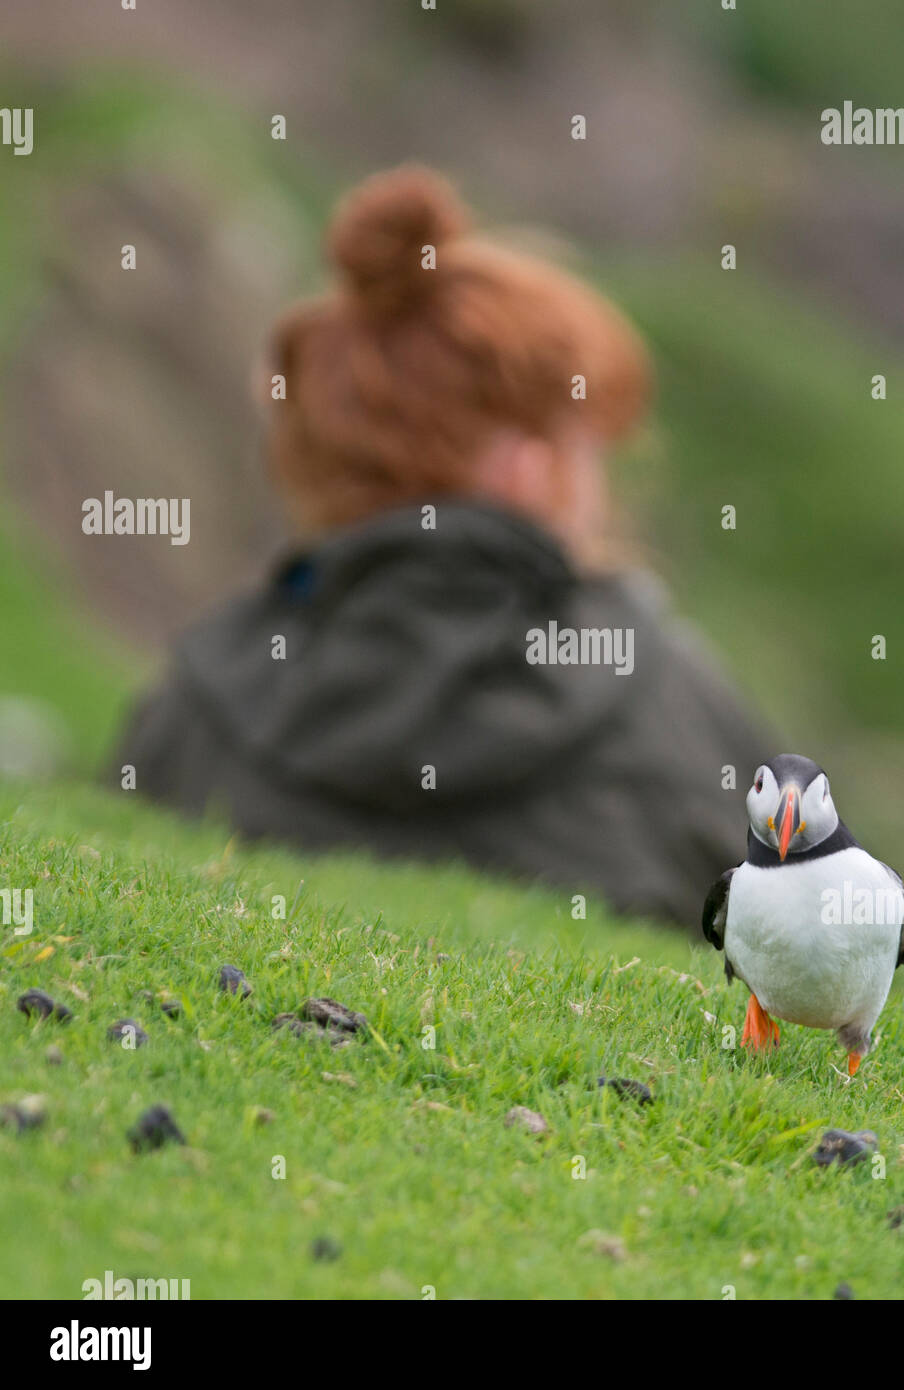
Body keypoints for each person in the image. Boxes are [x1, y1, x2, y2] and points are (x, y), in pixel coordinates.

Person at [113, 165, 778, 927]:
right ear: (527, 466)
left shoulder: (189, 709)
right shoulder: (673, 703)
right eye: (591, 448)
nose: (607, 487)